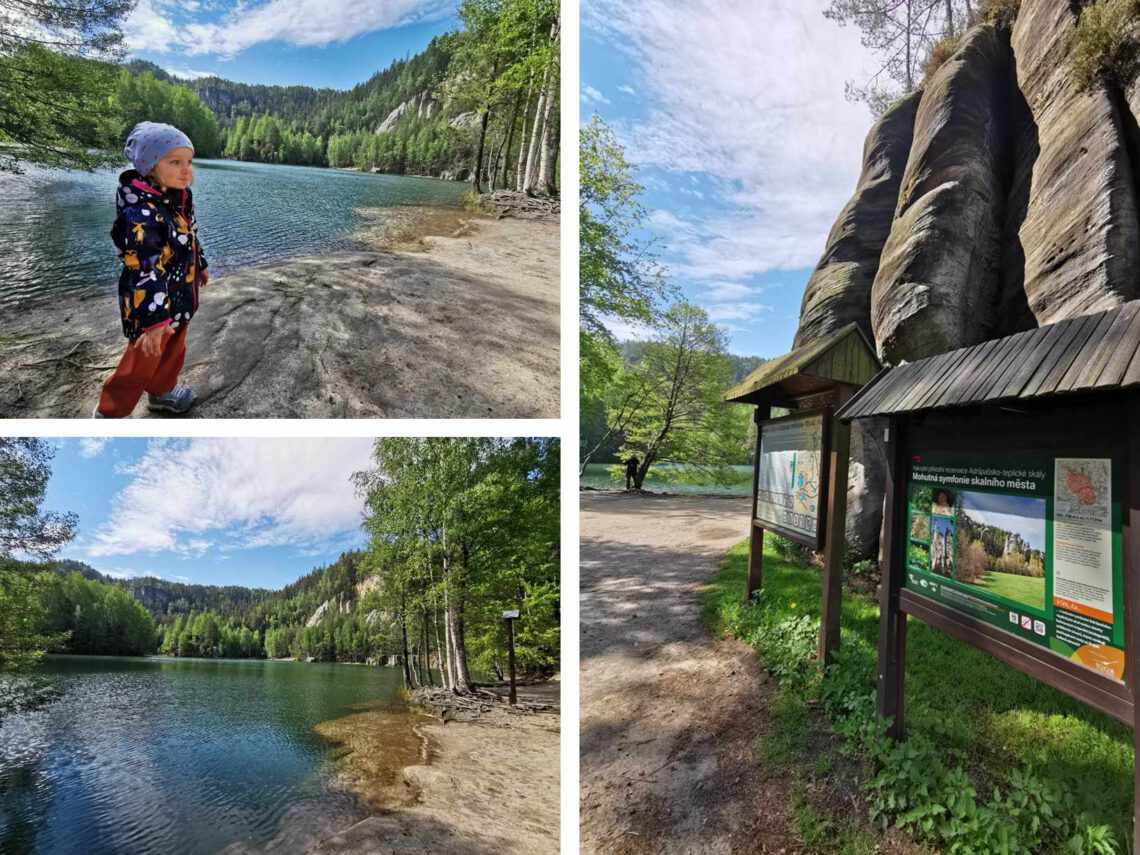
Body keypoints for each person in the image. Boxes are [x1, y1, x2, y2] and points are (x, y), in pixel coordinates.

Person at [94, 122, 209, 418]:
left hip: (180, 295)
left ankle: (162, 393)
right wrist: (155, 320)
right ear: (149, 166)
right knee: (140, 362)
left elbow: (189, 235)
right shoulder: (140, 213)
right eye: (175, 162)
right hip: (152, 308)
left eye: (189, 162)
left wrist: (201, 264)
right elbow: (143, 267)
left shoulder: (178, 197)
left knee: (174, 351)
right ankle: (109, 413)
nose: (187, 170)